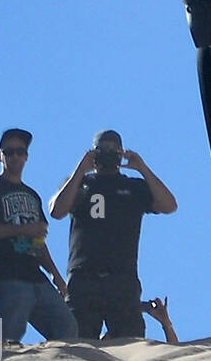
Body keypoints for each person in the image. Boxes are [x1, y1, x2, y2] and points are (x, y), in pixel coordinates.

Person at [50, 130, 177, 339]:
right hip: (84, 275)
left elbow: (169, 205)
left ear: (121, 153)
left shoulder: (133, 187)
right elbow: (57, 211)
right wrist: (81, 170)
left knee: (129, 343)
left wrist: (142, 168)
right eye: (103, 149)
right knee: (77, 344)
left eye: (114, 149)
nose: (108, 153)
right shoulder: (81, 185)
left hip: (122, 277)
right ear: (94, 152)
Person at [0, 128, 77, 342]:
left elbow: (39, 240)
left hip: (35, 275)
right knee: (9, 338)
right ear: (0, 155)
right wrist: (20, 230)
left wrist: (55, 275)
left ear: (26, 156)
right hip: (7, 275)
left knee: (67, 327)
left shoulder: (32, 195)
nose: (15, 156)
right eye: (9, 152)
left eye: (20, 151)